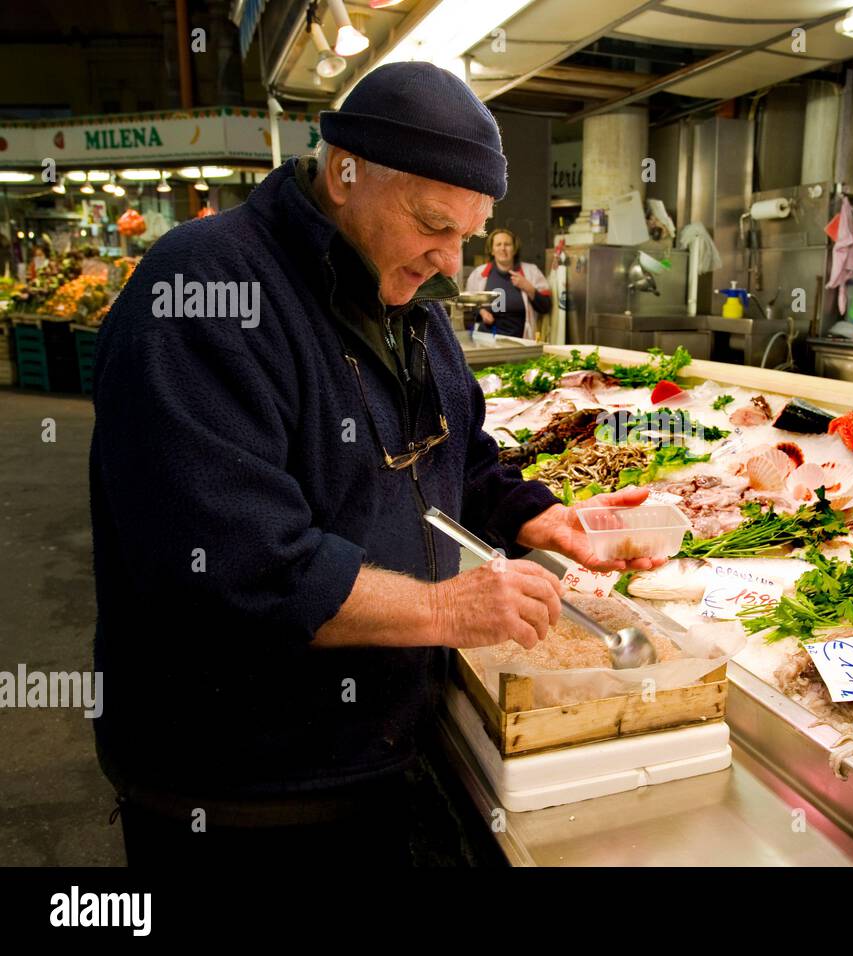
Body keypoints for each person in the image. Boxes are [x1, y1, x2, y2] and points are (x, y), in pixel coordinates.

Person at [89, 62, 661, 867]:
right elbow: (232, 568)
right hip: (244, 797)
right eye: (433, 223)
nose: (452, 260)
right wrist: (448, 612)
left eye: (466, 233)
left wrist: (541, 517)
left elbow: (452, 452)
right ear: (343, 173)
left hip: (382, 759)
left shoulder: (405, 300)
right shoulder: (203, 291)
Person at [464, 227, 550, 339]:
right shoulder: (479, 274)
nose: (503, 248)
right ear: (492, 250)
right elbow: (468, 306)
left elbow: (546, 307)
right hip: (486, 341)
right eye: (498, 245)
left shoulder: (531, 272)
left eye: (507, 244)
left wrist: (528, 287)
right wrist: (481, 312)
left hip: (521, 342)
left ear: (514, 249)